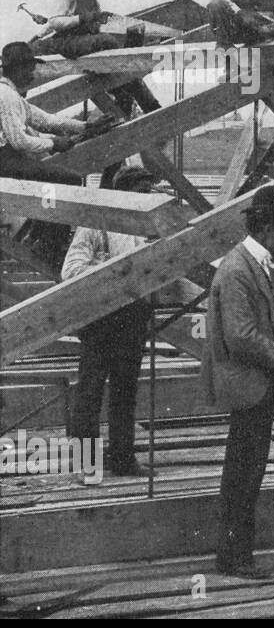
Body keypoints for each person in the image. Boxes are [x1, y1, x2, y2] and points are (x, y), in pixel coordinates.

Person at [204, 186, 274, 580]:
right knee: (243, 473)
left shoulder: (252, 264)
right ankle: (235, 559)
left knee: (245, 470)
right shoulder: (238, 271)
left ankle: (236, 555)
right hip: (248, 385)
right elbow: (242, 337)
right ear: (268, 228)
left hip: (254, 383)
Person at [62, 166, 159, 478]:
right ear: (124, 193)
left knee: (125, 392)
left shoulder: (144, 230)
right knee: (89, 392)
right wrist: (108, 270)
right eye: (142, 193)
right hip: (102, 319)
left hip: (131, 319)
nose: (148, 198)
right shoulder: (95, 227)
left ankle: (122, 458)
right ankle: (86, 465)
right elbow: (71, 270)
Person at [0, 42, 87, 266]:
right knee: (67, 179)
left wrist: (85, 127)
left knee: (53, 183)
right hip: (4, 160)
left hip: (8, 158)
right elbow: (18, 141)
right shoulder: (6, 96)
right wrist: (53, 143)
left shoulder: (11, 95)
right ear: (15, 69)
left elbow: (47, 120)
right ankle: (49, 243)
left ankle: (42, 234)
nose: (31, 75)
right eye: (28, 69)